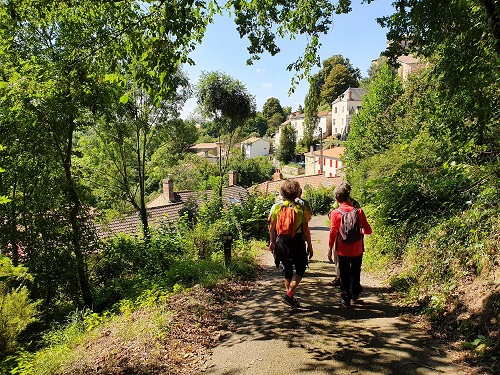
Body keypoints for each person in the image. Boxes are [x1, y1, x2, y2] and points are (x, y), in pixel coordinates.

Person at [268, 180, 313, 308]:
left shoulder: (277, 207)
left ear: (282, 193)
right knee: (300, 268)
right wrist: (309, 245)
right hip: (297, 241)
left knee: (287, 269)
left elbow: (271, 228)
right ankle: (289, 295)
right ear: (297, 193)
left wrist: (271, 242)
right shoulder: (301, 209)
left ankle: (290, 297)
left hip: (281, 242)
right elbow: (305, 230)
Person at [328, 182, 372, 308]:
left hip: (342, 249)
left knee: (344, 273)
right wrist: (360, 232)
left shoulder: (335, 213)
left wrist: (330, 248)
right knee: (355, 271)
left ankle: (345, 299)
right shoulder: (359, 211)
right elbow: (368, 230)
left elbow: (333, 232)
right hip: (357, 248)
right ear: (348, 197)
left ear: (337, 199)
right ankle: (355, 296)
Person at [329, 194, 361, 286]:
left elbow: (332, 228)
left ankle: (340, 280)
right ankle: (354, 292)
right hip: (356, 241)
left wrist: (330, 247)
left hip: (341, 240)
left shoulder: (336, 206)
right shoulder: (356, 205)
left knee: (340, 262)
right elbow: (364, 226)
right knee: (355, 267)